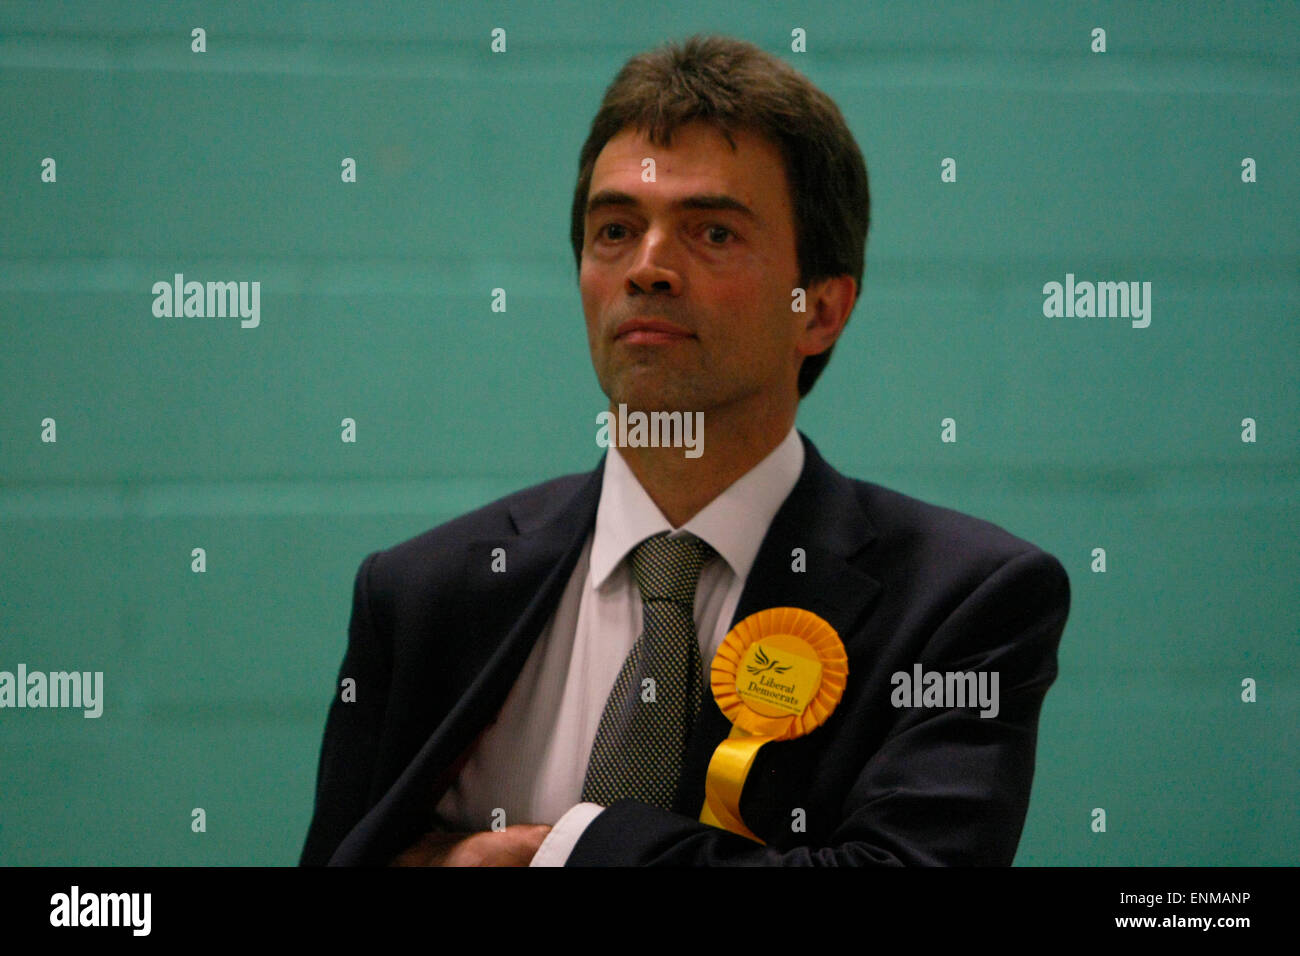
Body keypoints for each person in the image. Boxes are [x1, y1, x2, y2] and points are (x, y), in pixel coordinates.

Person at [300, 34, 1071, 867]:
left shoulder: (962, 604)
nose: (648, 268)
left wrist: (559, 852)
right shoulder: (422, 593)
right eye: (615, 230)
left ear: (820, 309)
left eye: (711, 233)